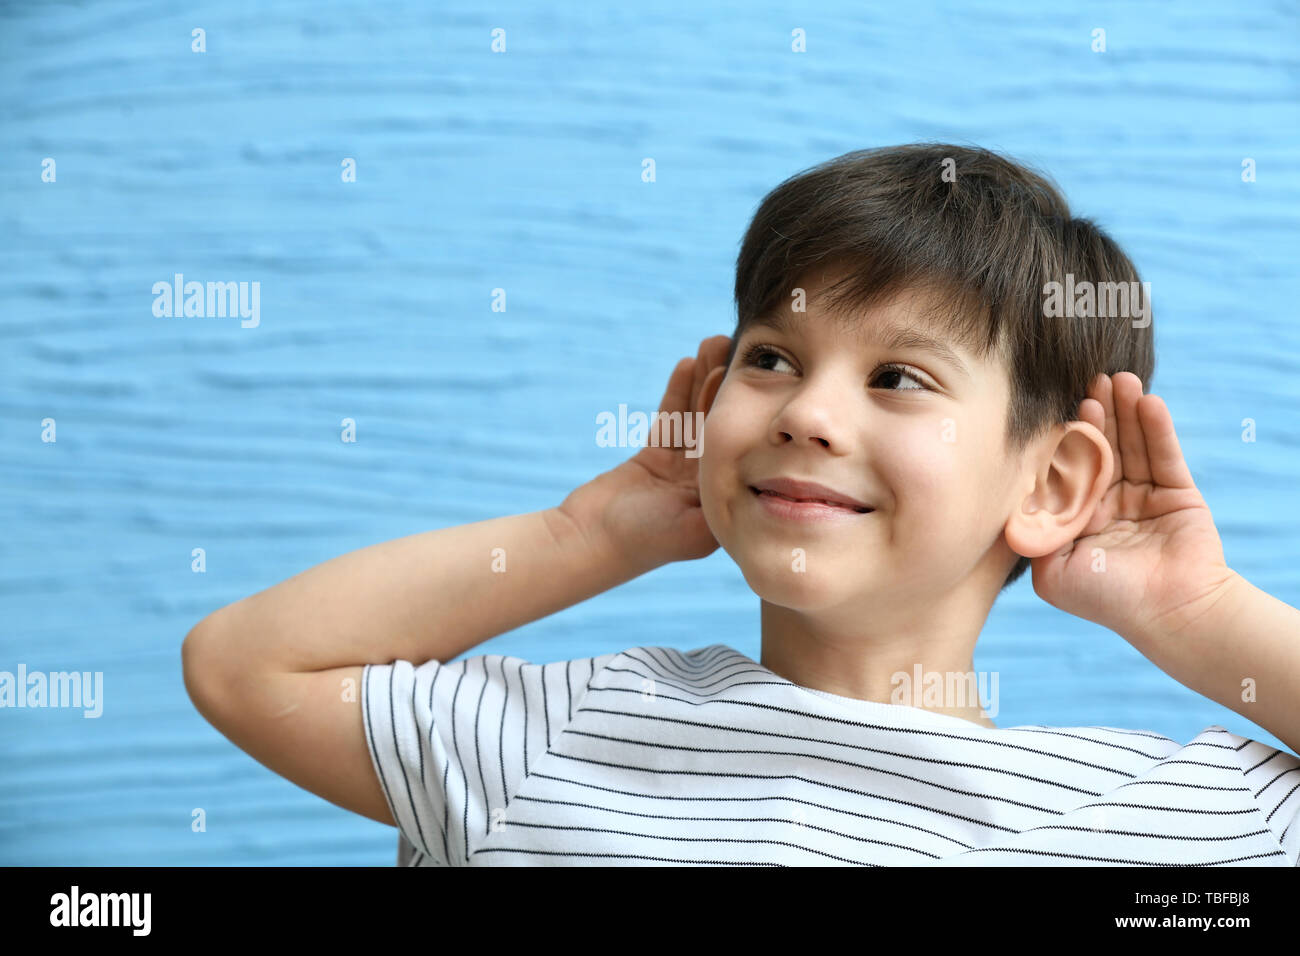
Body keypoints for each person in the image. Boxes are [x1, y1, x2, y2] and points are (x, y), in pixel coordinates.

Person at [181, 143, 1300, 866]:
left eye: (895, 378)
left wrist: (1192, 611)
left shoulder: (1168, 821)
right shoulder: (563, 738)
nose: (805, 411)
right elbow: (245, 665)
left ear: (1050, 482)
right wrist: (585, 536)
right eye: (771, 357)